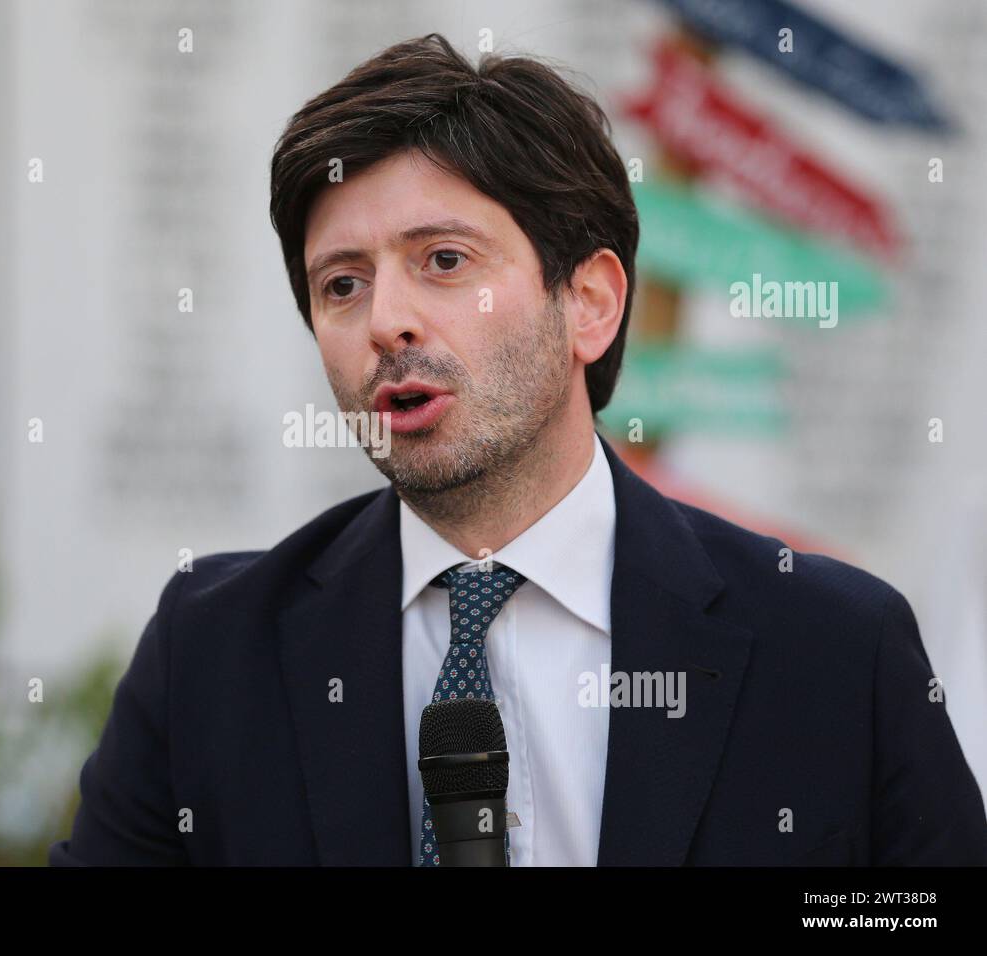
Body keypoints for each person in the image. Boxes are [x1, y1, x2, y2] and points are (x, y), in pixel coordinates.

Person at [49, 33, 986, 866]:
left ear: (590, 302)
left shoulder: (831, 649)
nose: (385, 322)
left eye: (444, 261)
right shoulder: (213, 652)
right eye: (341, 284)